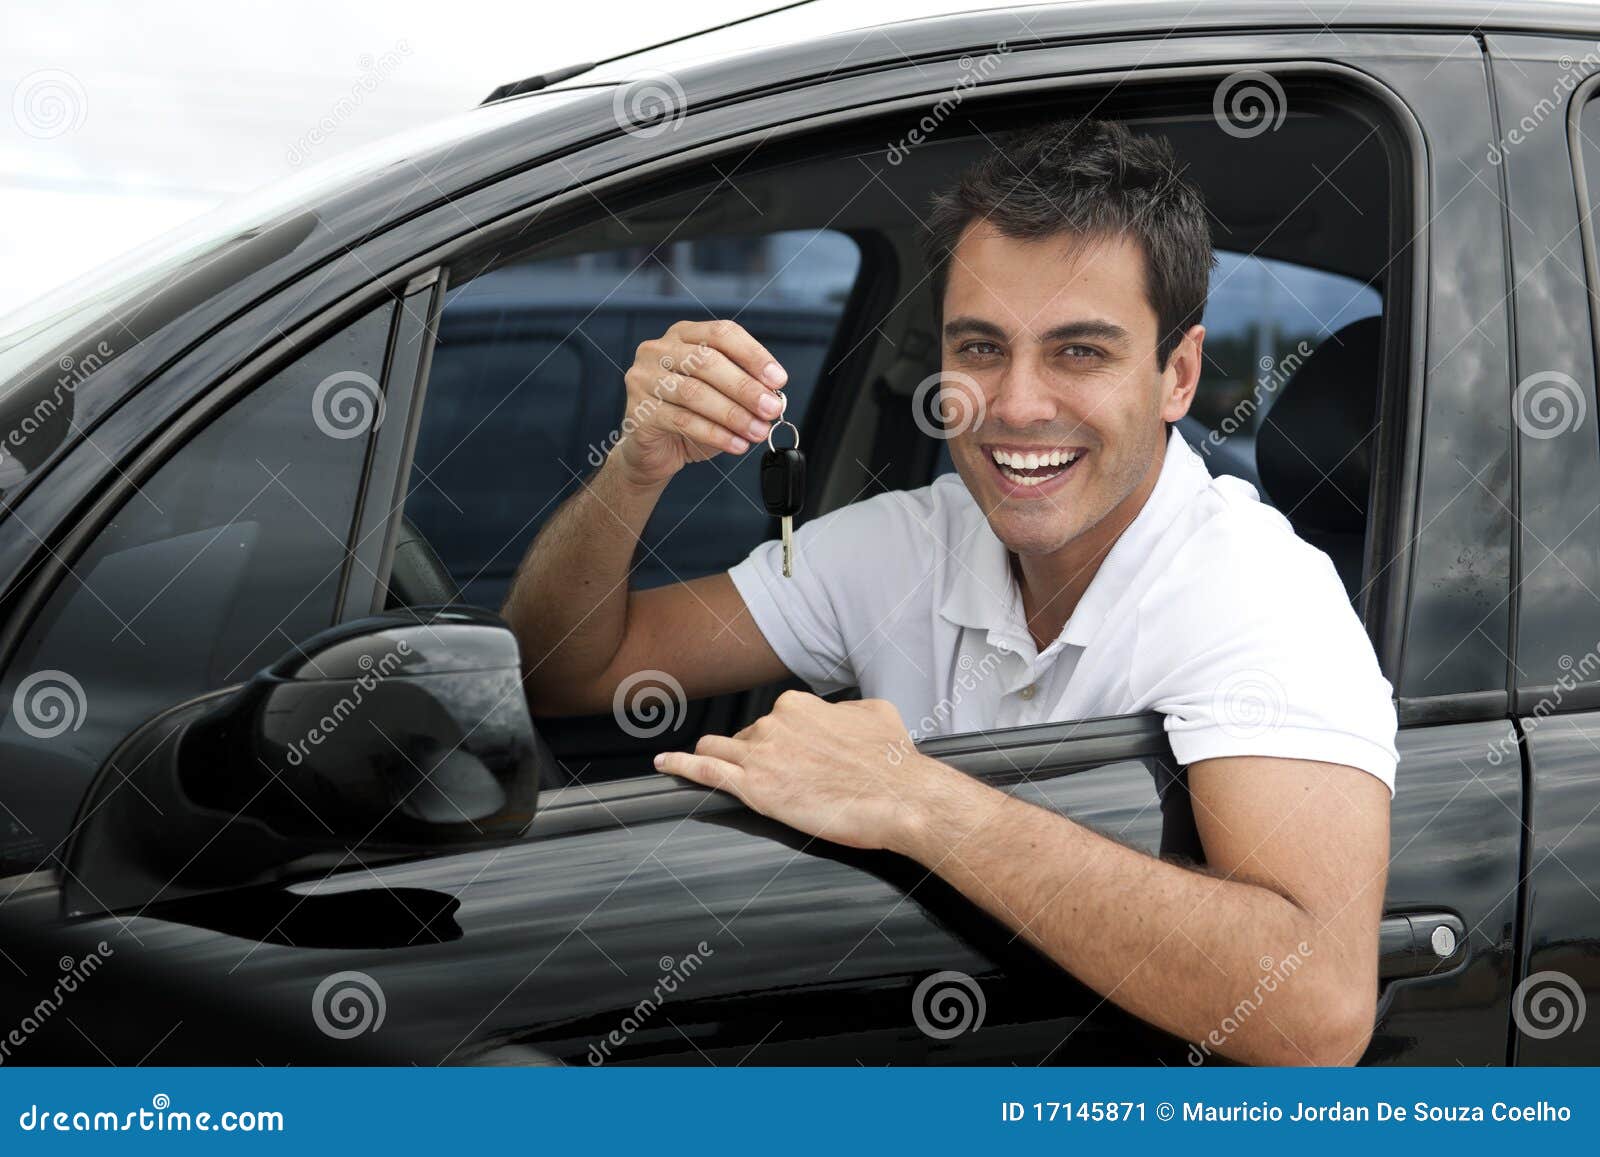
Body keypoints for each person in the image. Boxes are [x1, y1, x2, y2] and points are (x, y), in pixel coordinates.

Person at [502, 117, 1397, 1066]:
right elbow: (564, 671)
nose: (1013, 404)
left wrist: (918, 799)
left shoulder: (1257, 590)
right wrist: (635, 467)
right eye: (979, 348)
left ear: (1177, 374)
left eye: (1078, 352)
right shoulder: (910, 540)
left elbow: (1315, 1011)